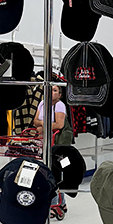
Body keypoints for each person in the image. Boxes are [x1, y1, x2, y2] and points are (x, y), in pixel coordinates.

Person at [34, 84, 69, 216]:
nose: (51, 92)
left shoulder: (60, 105)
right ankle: (60, 202)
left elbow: (59, 125)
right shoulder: (42, 103)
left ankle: (56, 203)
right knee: (47, 171)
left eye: (55, 90)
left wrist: (42, 126)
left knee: (55, 171)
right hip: (45, 142)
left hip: (58, 143)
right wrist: (46, 124)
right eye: (50, 89)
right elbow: (35, 121)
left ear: (60, 95)